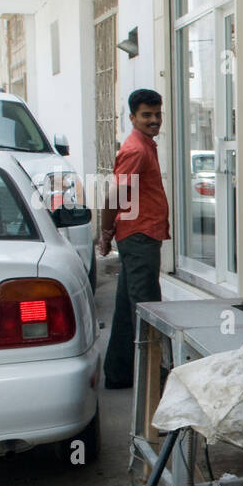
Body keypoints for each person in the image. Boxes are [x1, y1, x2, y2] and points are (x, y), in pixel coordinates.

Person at [99, 88, 169, 390]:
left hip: (141, 234)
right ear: (132, 117)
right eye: (146, 115)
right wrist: (105, 232)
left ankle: (119, 374)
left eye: (157, 114)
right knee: (147, 311)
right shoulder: (137, 149)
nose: (154, 120)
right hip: (139, 237)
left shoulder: (145, 144)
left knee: (128, 312)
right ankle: (152, 382)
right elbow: (115, 195)